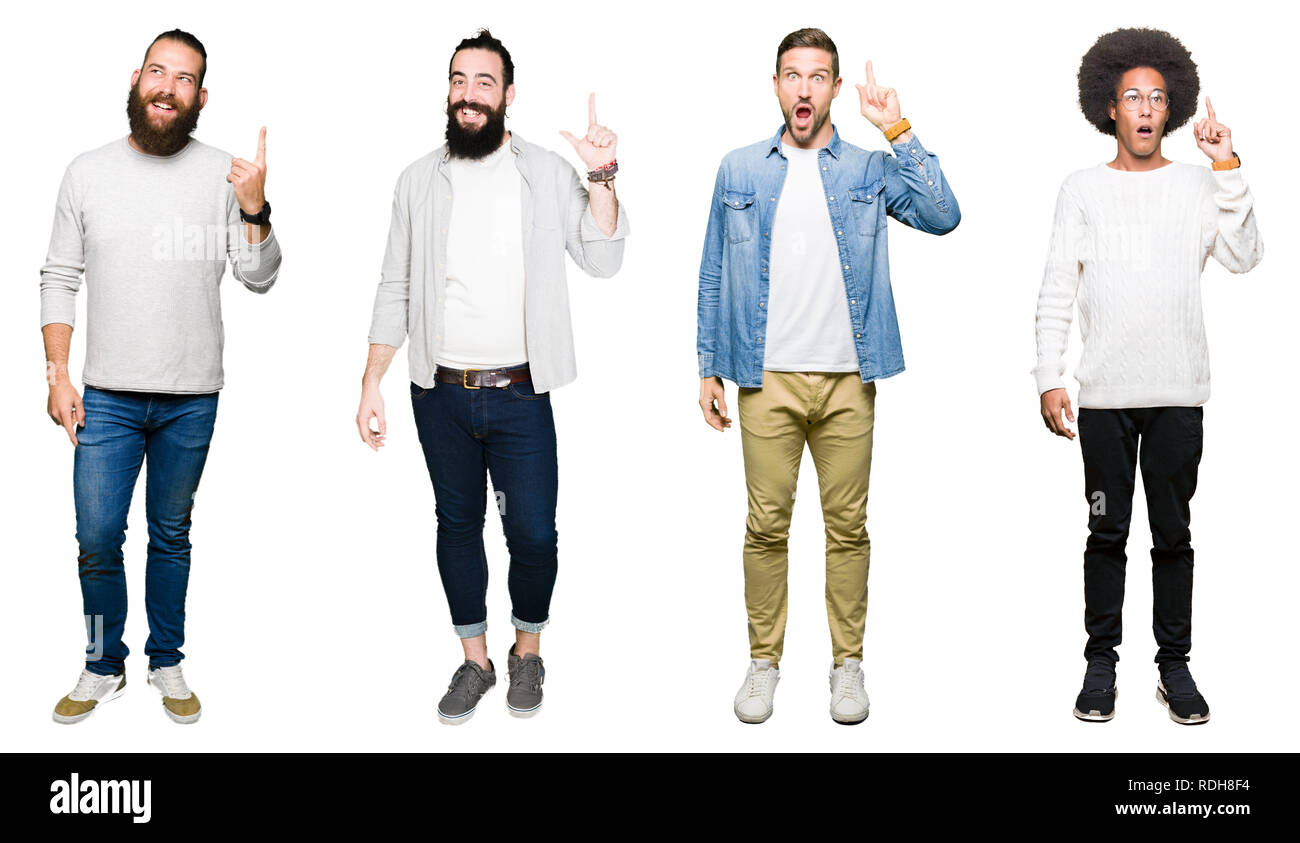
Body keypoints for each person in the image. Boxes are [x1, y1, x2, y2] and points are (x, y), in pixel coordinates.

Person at [356, 29, 628, 724]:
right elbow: (394, 284)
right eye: (458, 81)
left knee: (533, 533)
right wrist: (371, 382)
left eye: (483, 83)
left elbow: (602, 259)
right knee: (456, 524)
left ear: (508, 95)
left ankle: (526, 650)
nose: (468, 95)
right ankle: (475, 659)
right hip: (437, 391)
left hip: (521, 392)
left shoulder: (544, 171)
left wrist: (601, 176)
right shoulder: (418, 179)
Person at [696, 28, 959, 725]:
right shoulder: (740, 169)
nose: (804, 88)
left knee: (847, 527)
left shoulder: (870, 170)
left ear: (836, 88)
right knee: (765, 525)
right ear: (776, 85)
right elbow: (713, 272)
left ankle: (848, 665)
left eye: (818, 76)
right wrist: (708, 368)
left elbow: (943, 215)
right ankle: (763, 662)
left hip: (849, 379)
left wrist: (898, 127)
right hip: (763, 376)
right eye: (792, 75)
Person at [42, 29, 281, 724]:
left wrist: (256, 206)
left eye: (183, 79)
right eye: (158, 71)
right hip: (107, 399)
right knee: (95, 537)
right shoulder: (86, 172)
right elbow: (59, 276)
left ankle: (166, 658)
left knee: (171, 533)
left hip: (191, 398)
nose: (167, 87)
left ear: (200, 97)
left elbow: (259, 278)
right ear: (136, 78)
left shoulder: (227, 175)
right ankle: (100, 662)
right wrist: (58, 375)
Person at [1033, 27, 1262, 726]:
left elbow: (1246, 256)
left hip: (1178, 396)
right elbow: (1055, 289)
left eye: (1156, 98)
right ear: (1109, 106)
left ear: (1172, 110)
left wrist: (1228, 167)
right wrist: (1050, 374)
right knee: (1106, 534)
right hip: (1104, 398)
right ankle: (1101, 664)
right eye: (1131, 95)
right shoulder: (1080, 189)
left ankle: (1175, 666)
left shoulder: (1198, 185)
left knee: (1173, 536)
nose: (1143, 107)